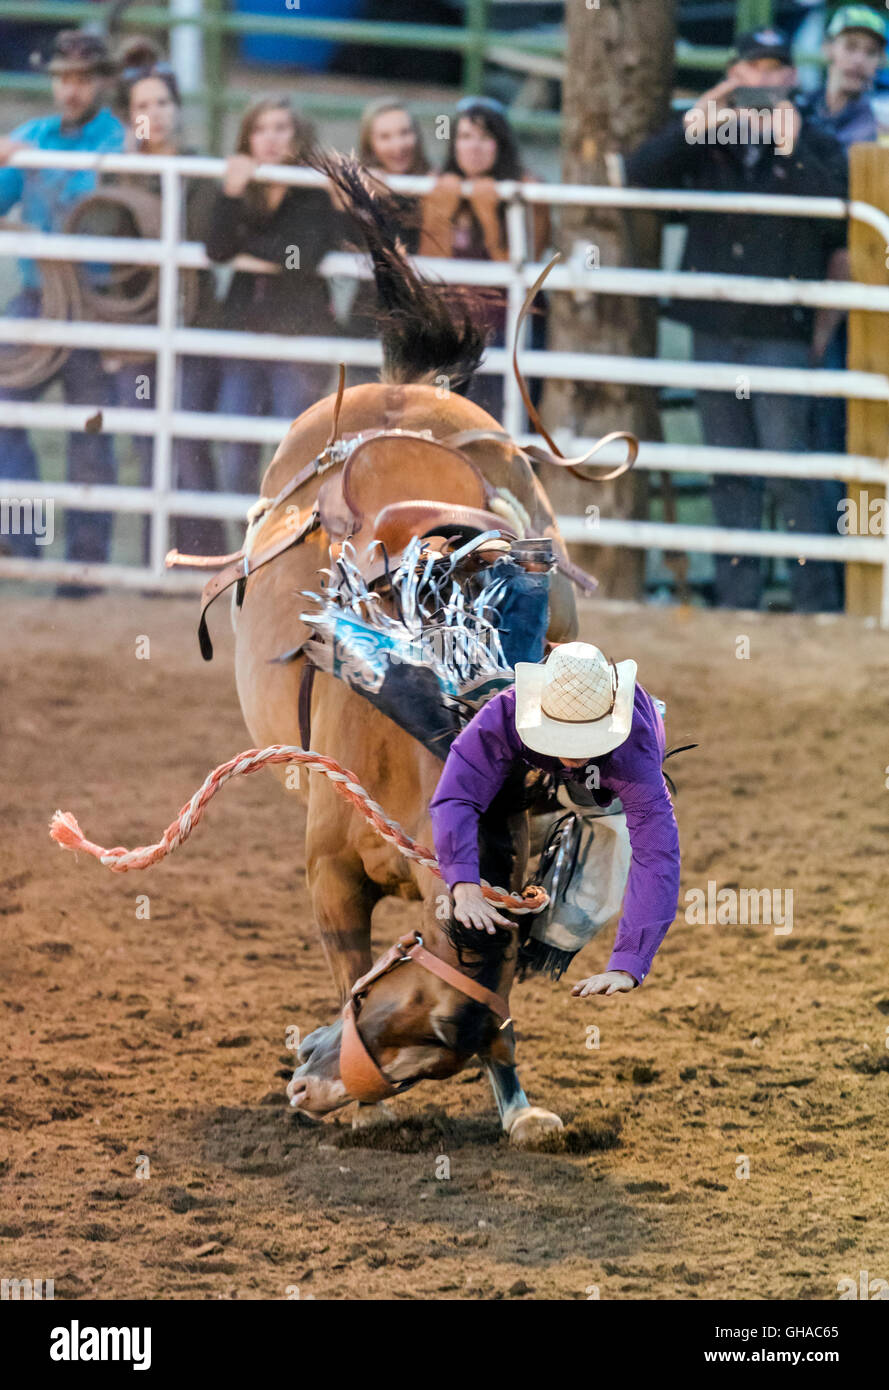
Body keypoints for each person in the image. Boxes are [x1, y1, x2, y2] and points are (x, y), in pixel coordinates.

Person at [626, 27, 849, 613]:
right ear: (735, 74)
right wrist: (703, 112)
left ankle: (814, 607)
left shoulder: (819, 143)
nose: (766, 81)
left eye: (776, 69)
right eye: (753, 69)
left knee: (786, 471)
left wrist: (790, 146)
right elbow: (640, 172)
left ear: (792, 79)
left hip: (781, 331)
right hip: (716, 327)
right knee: (728, 471)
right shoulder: (711, 138)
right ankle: (737, 605)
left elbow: (835, 220)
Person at [429, 642, 680, 995]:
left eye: (582, 743)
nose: (573, 754)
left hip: (606, 780)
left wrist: (628, 964)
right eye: (563, 738)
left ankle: (547, 942)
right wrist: (464, 883)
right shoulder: (507, 712)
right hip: (533, 757)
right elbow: (456, 794)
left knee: (601, 865)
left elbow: (657, 856)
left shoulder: (635, 751)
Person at [0, 30, 124, 584]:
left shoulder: (117, 143)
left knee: (89, 432)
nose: (71, 90)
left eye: (82, 79)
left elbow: (107, 204)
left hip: (96, 302)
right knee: (5, 409)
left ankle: (85, 567)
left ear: (100, 83)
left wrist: (31, 161)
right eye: (63, 79)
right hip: (41, 295)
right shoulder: (34, 136)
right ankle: (21, 543)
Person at [104, 37, 225, 561]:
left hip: (193, 326)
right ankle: (162, 556)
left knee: (189, 448)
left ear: (177, 110)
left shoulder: (202, 174)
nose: (153, 112)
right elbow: (111, 246)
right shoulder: (117, 175)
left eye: (162, 102)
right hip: (138, 329)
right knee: (148, 446)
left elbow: (204, 236)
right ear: (130, 117)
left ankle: (202, 560)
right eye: (142, 105)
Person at [205, 98, 344, 514]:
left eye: (281, 128)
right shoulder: (240, 187)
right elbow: (217, 248)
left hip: (300, 337)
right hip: (245, 334)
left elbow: (300, 257)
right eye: (260, 129)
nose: (270, 138)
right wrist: (231, 196)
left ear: (299, 137)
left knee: (299, 453)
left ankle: (292, 546)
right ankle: (248, 547)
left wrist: (247, 244)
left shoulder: (315, 189)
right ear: (247, 137)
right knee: (236, 453)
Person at [419, 97, 549, 422]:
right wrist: (442, 210)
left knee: (498, 423)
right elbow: (430, 266)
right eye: (464, 137)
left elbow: (524, 264)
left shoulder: (525, 188)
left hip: (506, 328)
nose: (473, 147)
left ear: (500, 144)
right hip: (452, 328)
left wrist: (488, 211)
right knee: (446, 423)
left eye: (484, 138)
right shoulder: (440, 186)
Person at [347, 99, 429, 385]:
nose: (398, 145)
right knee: (364, 414)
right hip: (370, 317)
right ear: (370, 144)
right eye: (385, 137)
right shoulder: (358, 189)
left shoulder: (433, 186)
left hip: (424, 322)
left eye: (405, 133)